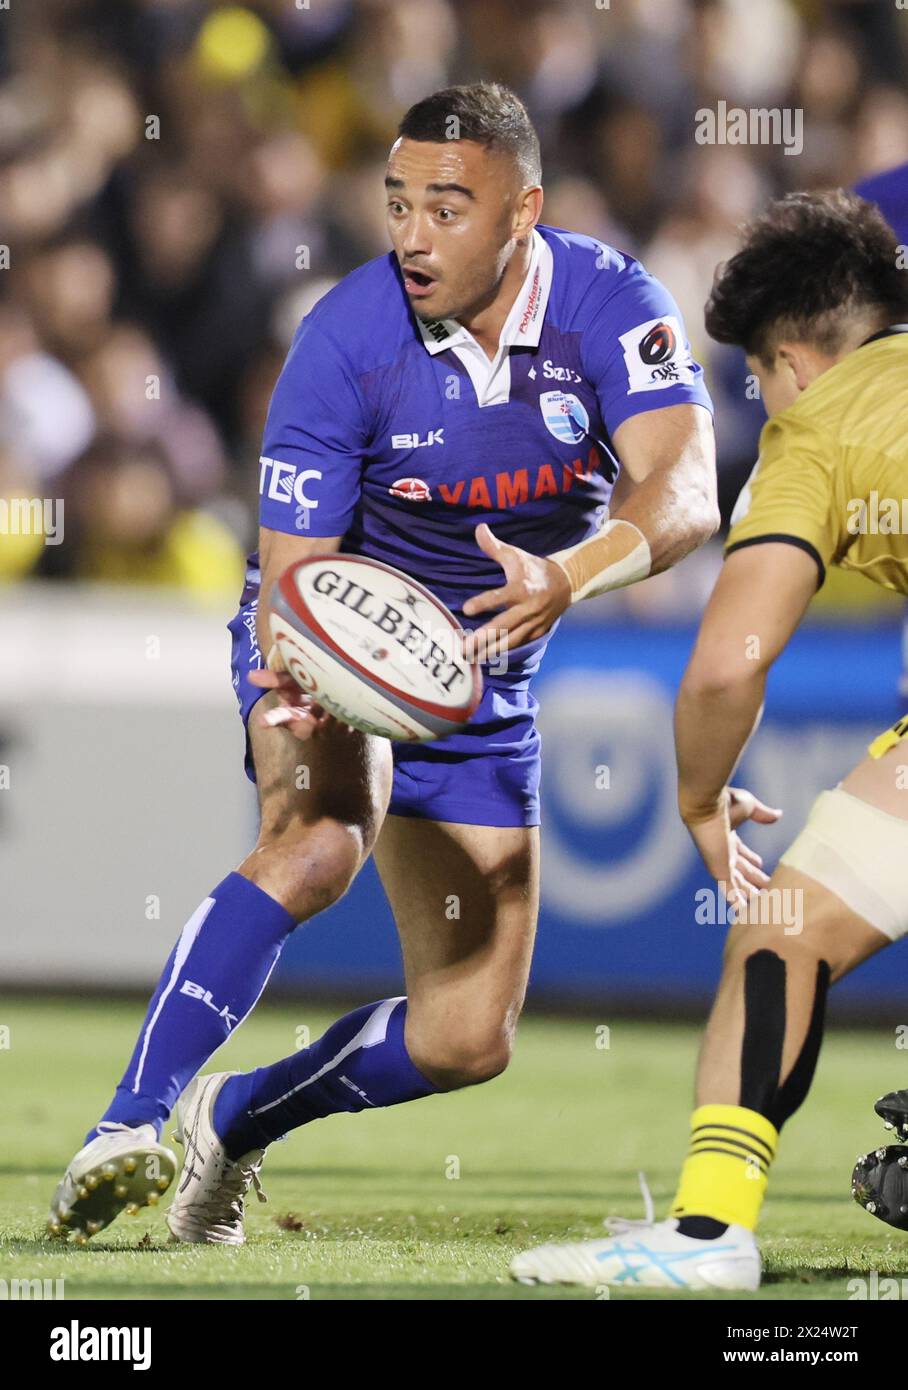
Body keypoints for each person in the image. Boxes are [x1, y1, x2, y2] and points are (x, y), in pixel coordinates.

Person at [48, 82, 716, 1246]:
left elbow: (689, 489)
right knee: (318, 838)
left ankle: (232, 1118)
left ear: (524, 211)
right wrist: (295, 677)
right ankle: (127, 1122)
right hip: (338, 634)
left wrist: (567, 576)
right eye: (396, 201)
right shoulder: (342, 338)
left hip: (489, 677)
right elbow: (294, 565)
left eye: (445, 208)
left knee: (470, 1038)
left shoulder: (612, 305)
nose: (410, 233)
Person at [511, 189, 908, 1291]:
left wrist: (696, 800)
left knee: (778, 927)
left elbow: (726, 660)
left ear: (787, 359)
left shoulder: (818, 425)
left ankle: (706, 1234)